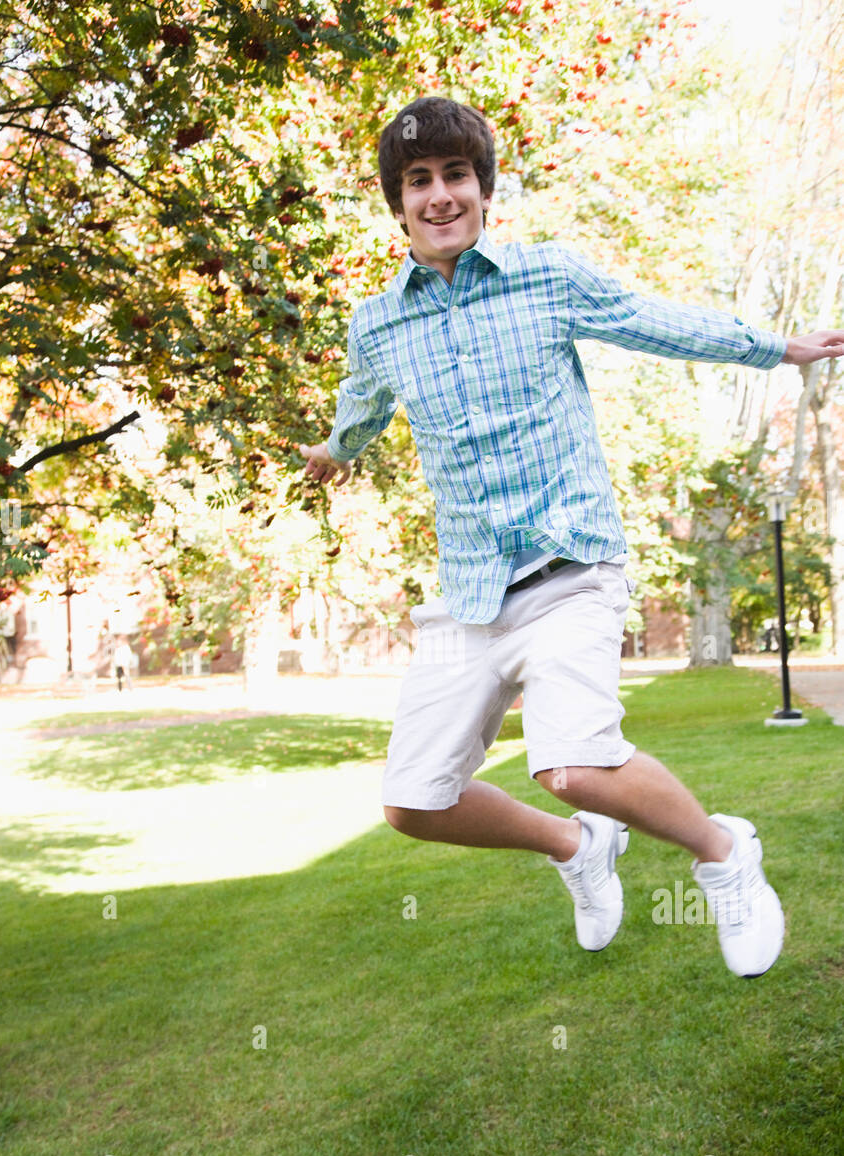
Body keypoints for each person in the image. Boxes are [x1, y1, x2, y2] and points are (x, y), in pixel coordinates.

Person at [298, 97, 844, 977]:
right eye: (419, 181)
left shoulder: (545, 277)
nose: (440, 196)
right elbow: (362, 406)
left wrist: (778, 349)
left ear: (484, 188)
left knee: (575, 762)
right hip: (470, 594)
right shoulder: (376, 324)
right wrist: (332, 452)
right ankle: (577, 850)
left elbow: (654, 320)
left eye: (456, 176)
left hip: (571, 569)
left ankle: (725, 856)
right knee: (413, 801)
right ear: (397, 204)